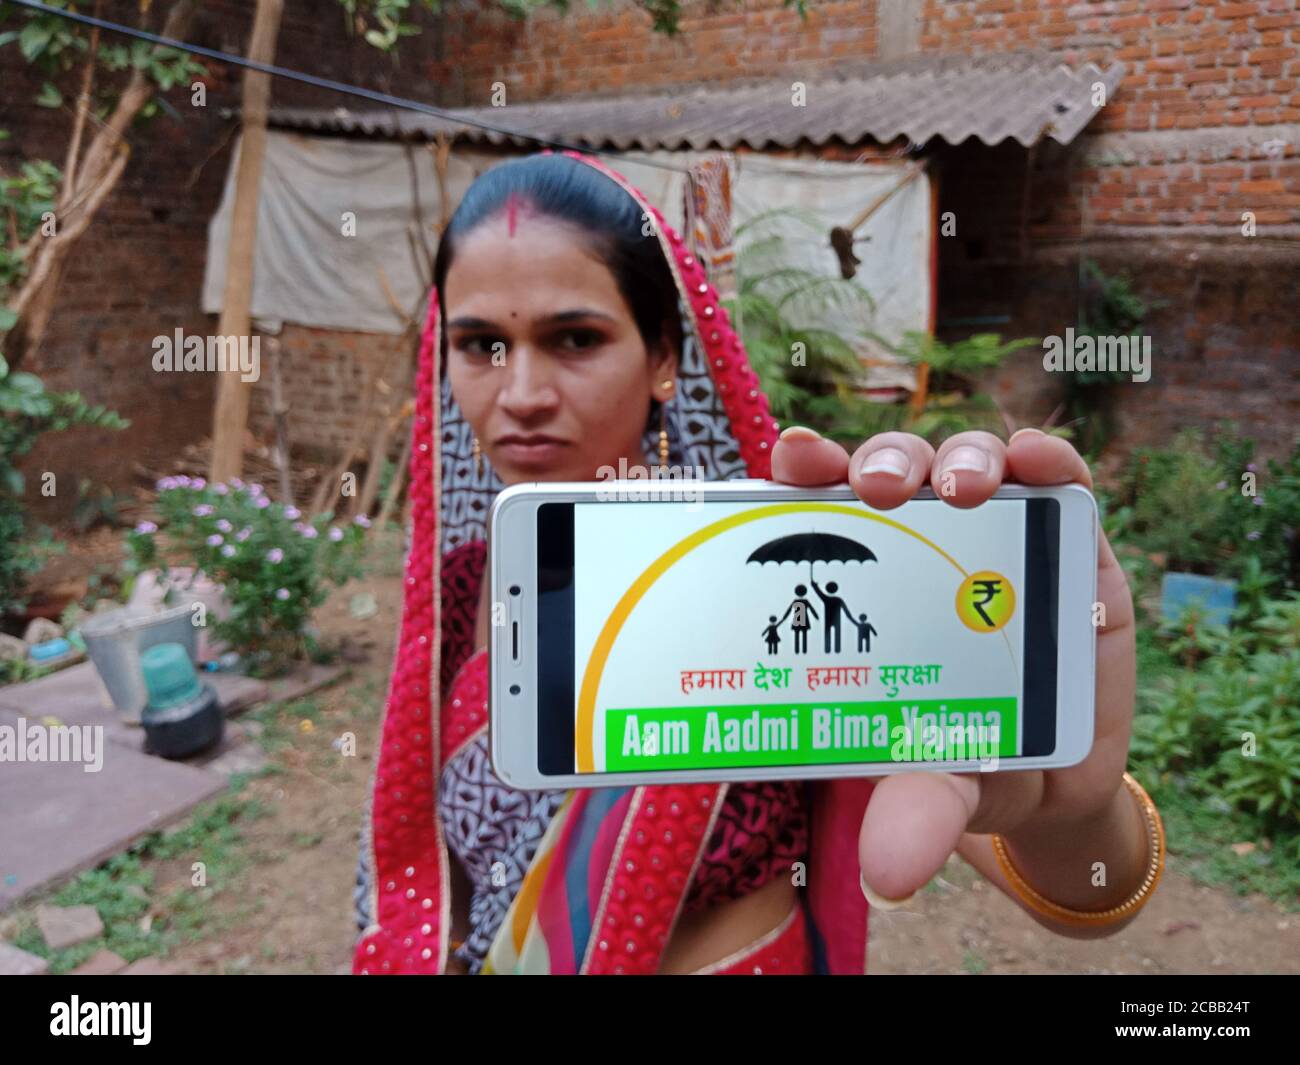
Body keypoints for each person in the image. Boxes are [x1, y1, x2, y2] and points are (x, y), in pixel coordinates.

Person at [353, 151, 1164, 976]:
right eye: (482, 343)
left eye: (574, 337)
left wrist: (1073, 809)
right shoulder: (462, 603)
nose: (520, 390)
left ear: (663, 355)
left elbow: (1087, 891)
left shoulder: (784, 574)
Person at [810, 578, 854, 654]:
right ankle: (836, 649)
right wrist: (852, 619)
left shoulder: (827, 599)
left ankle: (828, 649)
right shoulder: (838, 600)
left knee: (828, 634)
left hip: (829, 620)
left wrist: (814, 586)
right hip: (836, 620)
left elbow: (819, 593)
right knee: (836, 634)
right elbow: (846, 612)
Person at [778, 584, 818, 655]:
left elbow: (789, 610)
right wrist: (816, 616)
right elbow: (812, 609)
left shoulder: (796, 601)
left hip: (797, 619)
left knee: (797, 636)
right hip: (804, 620)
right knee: (803, 635)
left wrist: (784, 617)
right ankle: (803, 650)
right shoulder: (805, 601)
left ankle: (798, 650)